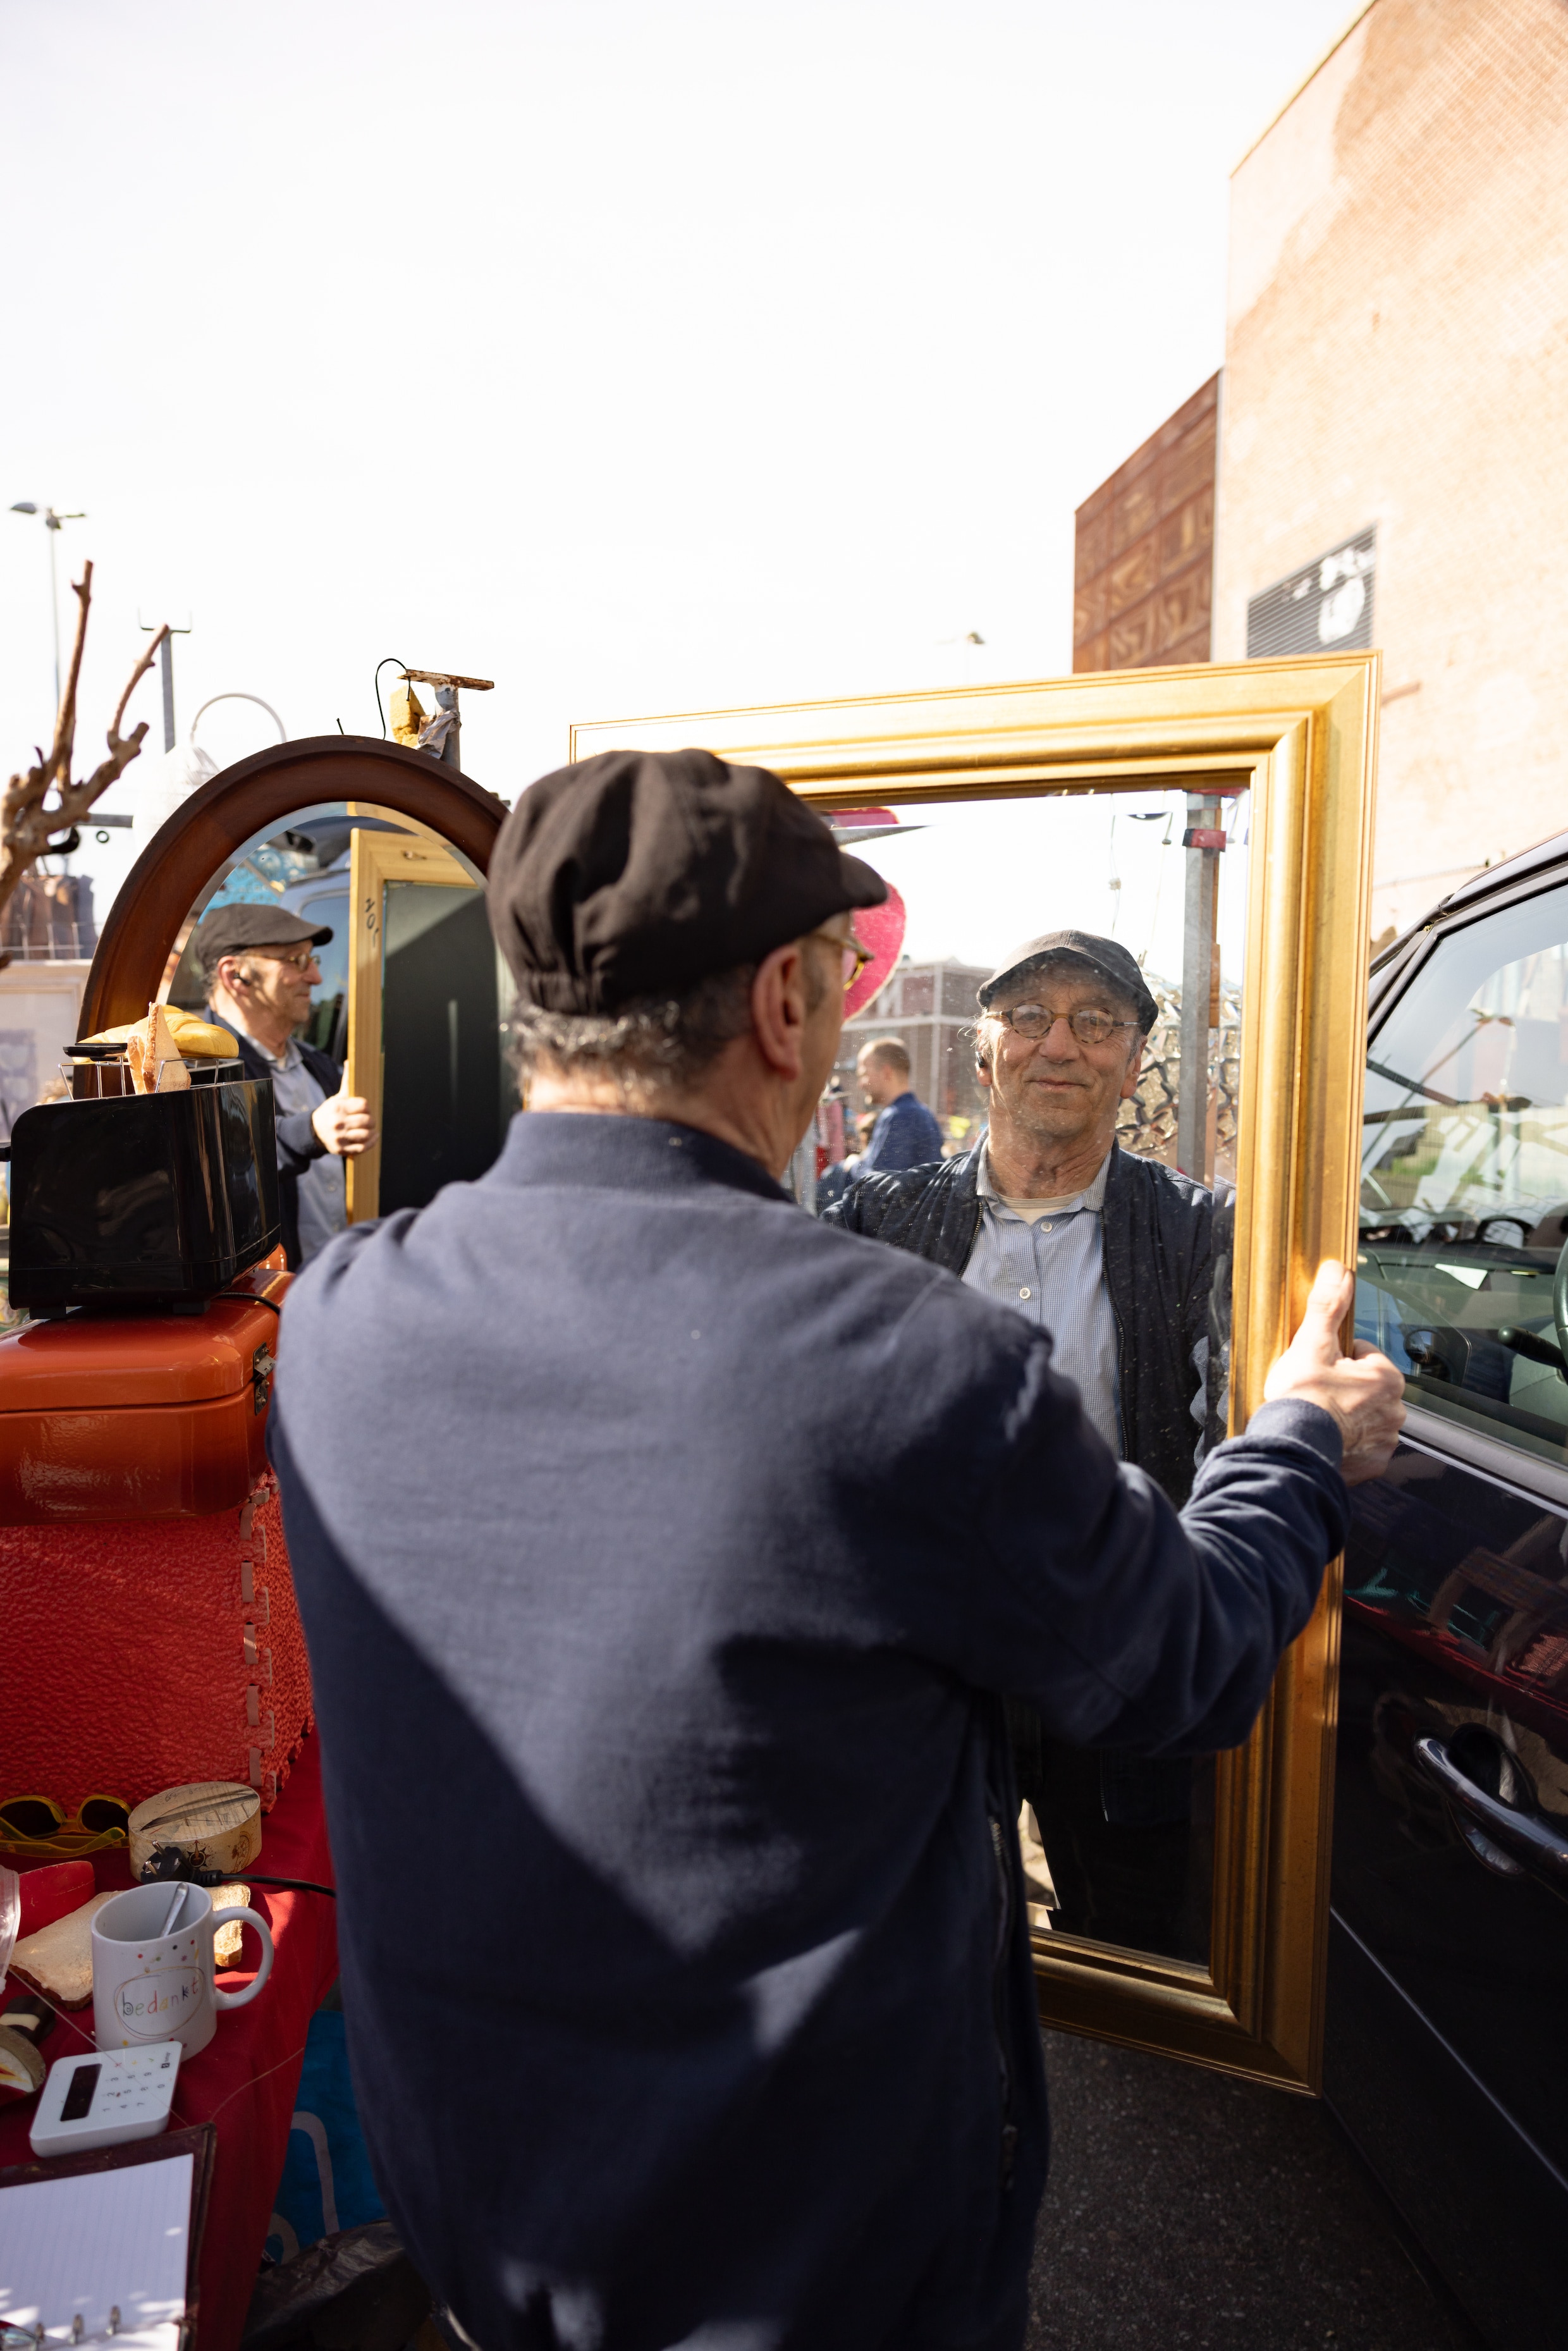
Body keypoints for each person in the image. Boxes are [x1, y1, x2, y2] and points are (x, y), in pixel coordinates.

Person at [269, 749, 1404, 2351]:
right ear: (787, 1015)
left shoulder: (337, 1320)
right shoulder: (909, 1361)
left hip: (486, 2232)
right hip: (809, 2273)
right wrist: (1300, 1437)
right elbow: (1190, 1653)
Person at [826, 930, 1211, 1949]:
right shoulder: (882, 1214)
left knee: (1132, 1940)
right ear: (983, 1047)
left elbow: (1218, 1444)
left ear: (1133, 1065)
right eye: (1030, 1016)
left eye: (1098, 1023)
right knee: (928, 1938)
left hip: (1113, 1658)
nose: (1062, 1044)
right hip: (935, 1664)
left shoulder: (1195, 1234)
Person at [191, 904, 376, 1268]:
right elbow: (223, 1157)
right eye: (296, 960)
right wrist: (310, 1132)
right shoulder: (194, 1069)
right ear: (236, 975)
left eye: (313, 960)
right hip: (263, 1311)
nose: (316, 978)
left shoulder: (318, 1065)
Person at [855, 1034, 945, 1172]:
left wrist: (854, 1166)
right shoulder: (924, 1113)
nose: (861, 1084)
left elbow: (878, 1184)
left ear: (886, 1073)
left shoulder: (898, 1116)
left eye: (864, 1074)